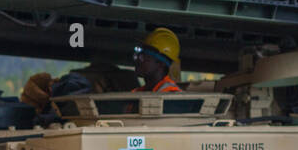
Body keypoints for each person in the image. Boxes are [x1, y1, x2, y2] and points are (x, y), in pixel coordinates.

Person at [20, 26, 184, 116]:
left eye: (145, 56)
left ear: (161, 64)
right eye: (138, 54)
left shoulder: (170, 97)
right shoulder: (138, 92)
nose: (137, 59)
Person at [133, 27, 182, 93]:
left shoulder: (171, 96)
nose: (137, 60)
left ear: (161, 63)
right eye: (137, 55)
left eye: (143, 57)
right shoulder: (137, 93)